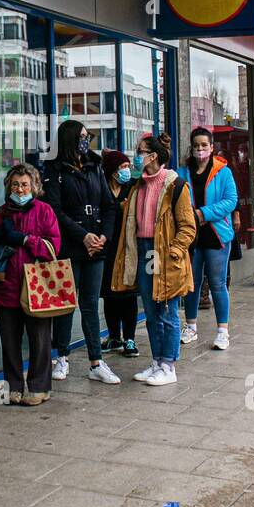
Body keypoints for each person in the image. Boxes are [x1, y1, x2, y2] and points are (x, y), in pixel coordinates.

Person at [111, 134, 196, 386]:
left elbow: (188, 226)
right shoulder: (138, 186)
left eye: (140, 151)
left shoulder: (175, 185)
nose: (136, 156)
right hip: (145, 250)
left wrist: (175, 251)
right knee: (150, 311)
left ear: (153, 156)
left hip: (164, 254)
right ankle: (157, 361)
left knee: (167, 310)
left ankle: (169, 365)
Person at [42, 120, 119, 385]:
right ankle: (62, 357)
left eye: (88, 137)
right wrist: (82, 235)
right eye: (82, 136)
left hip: (96, 246)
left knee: (90, 304)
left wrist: (103, 237)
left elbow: (109, 205)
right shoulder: (54, 169)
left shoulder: (95, 166)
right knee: (65, 303)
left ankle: (96, 362)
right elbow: (55, 210)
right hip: (70, 246)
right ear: (70, 139)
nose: (86, 141)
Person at [0, 164, 60, 406]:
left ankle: (39, 387)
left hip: (37, 286)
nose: (20, 189)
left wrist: (26, 239)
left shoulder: (44, 211)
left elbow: (53, 247)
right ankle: (13, 387)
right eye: (15, 184)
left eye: (25, 184)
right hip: (4, 286)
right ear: (8, 187)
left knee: (40, 340)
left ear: (34, 186)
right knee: (9, 342)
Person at [178, 128, 237, 350]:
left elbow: (231, 201)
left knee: (217, 284)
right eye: (196, 145)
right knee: (191, 284)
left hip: (216, 235)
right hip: (190, 236)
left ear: (212, 147)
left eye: (204, 145)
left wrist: (203, 213)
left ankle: (223, 331)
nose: (200, 149)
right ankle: (191, 326)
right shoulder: (182, 172)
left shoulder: (223, 172)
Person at [100, 149, 139, 358]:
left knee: (128, 294)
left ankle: (129, 338)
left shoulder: (132, 187)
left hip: (128, 246)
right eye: (122, 167)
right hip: (107, 247)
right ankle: (114, 336)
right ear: (112, 170)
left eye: (127, 166)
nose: (126, 170)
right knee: (109, 295)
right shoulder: (102, 188)